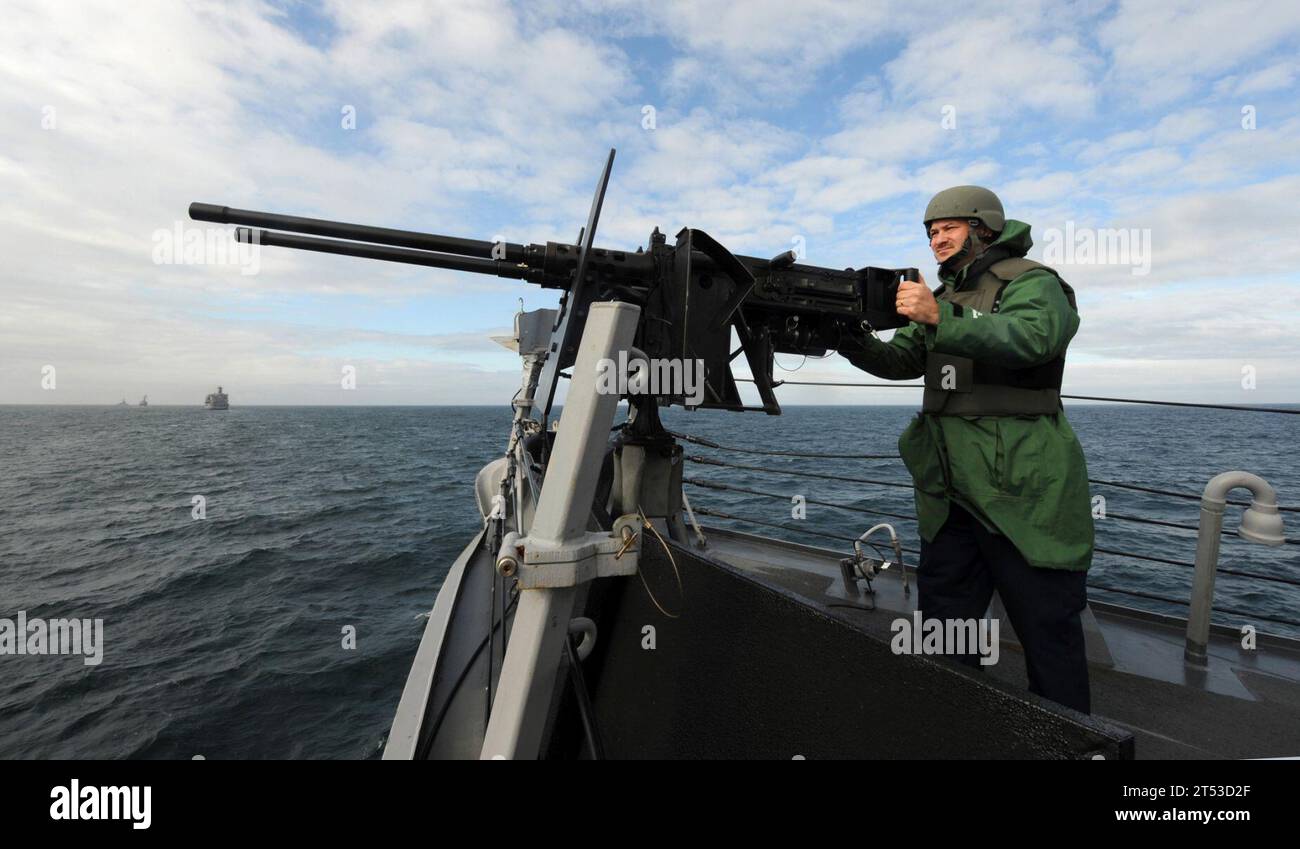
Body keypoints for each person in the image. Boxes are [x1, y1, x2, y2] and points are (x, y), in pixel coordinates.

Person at [840, 186, 1094, 714]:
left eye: (948, 228)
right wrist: (845, 335)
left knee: (1045, 624)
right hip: (949, 490)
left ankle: (1072, 738)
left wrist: (940, 318)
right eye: (931, 232)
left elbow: (1034, 338)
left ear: (983, 228)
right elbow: (900, 361)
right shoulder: (944, 299)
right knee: (947, 624)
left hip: (1020, 488)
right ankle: (951, 722)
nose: (937, 239)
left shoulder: (1032, 282)